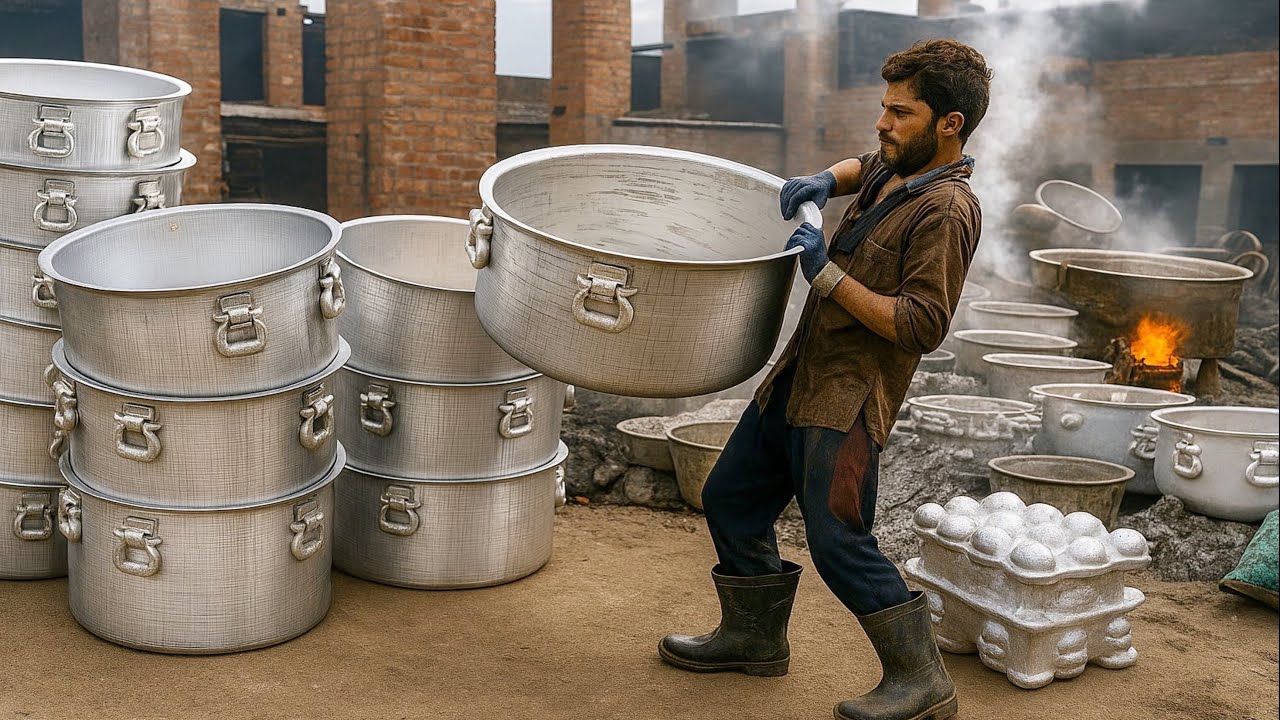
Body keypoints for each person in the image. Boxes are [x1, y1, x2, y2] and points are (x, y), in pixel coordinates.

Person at [658, 39, 993, 720]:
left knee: (839, 540)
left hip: (845, 403)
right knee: (731, 497)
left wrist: (828, 276)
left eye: (901, 112)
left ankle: (921, 679)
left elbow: (923, 325)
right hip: (799, 377)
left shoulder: (947, 211)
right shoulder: (895, 170)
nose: (883, 122)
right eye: (883, 107)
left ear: (948, 123)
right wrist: (823, 179)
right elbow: (864, 164)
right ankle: (753, 638)